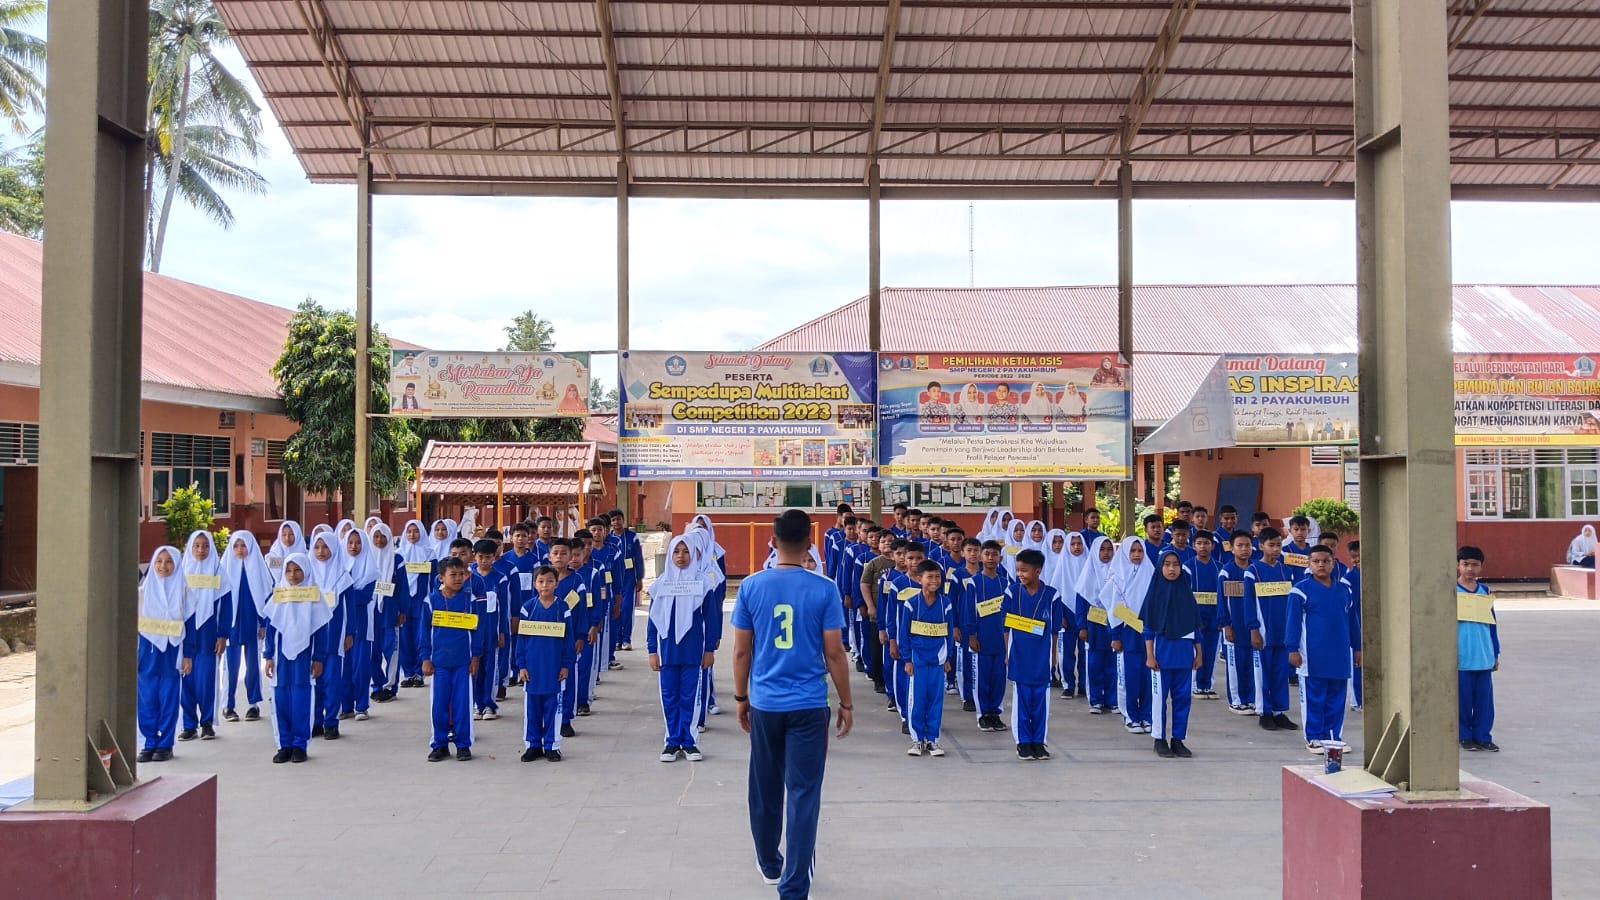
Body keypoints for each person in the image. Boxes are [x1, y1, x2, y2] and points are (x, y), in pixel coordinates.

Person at [733, 510, 853, 899]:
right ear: (809, 543)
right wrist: (846, 702)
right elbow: (834, 653)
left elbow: (740, 652)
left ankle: (770, 862)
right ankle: (795, 885)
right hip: (808, 704)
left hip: (766, 703)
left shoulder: (751, 586)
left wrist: (740, 697)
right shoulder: (824, 589)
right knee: (803, 793)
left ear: (772, 539)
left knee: (765, 786)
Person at [649, 536, 717, 763]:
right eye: (676, 551)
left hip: (692, 651)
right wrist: (652, 650)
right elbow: (652, 620)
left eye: (685, 551)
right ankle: (671, 741)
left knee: (690, 696)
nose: (680, 556)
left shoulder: (702, 583)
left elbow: (712, 618)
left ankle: (689, 741)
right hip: (667, 651)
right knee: (669, 696)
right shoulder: (661, 583)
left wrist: (709, 649)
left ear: (694, 554)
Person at [1287, 545, 1361, 754]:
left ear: (1333, 563)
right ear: (1309, 564)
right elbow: (1292, 623)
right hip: (1312, 656)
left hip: (1339, 655)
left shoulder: (1344, 590)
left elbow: (1353, 621)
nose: (1321, 565)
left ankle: (1333, 737)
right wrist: (1292, 649)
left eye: (1325, 561)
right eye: (1316, 561)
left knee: (1337, 699)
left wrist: (1357, 648)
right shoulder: (1300, 591)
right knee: (1314, 698)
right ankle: (1313, 737)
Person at [261, 553, 333, 764]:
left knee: (301, 701)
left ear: (307, 571)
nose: (293, 575)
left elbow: (321, 630)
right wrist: (268, 656)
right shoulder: (279, 595)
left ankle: (300, 744)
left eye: (298, 570)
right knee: (281, 700)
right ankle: (284, 744)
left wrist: (318, 658)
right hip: (281, 658)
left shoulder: (314, 596)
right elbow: (271, 628)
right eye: (289, 570)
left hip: (305, 658)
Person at [420, 556, 483, 762]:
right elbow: (424, 632)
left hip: (463, 662)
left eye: (461, 574)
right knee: (438, 705)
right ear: (441, 577)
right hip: (439, 663)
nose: (458, 578)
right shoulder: (431, 601)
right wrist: (425, 658)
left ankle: (463, 744)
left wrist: (475, 656)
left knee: (462, 705)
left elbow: (477, 631)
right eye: (452, 575)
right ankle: (439, 744)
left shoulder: (470, 600)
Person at [1142, 550, 1202, 759]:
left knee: (1183, 699)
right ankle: (1159, 739)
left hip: (1185, 657)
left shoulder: (1186, 592)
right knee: (1159, 700)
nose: (1171, 569)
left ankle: (1178, 739)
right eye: (1166, 564)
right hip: (1161, 658)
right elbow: (1148, 628)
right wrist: (1150, 655)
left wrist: (1199, 653)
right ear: (1160, 567)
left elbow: (1196, 626)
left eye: (1175, 564)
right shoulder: (1154, 593)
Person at [136, 547, 193, 763]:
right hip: (147, 653)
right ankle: (149, 742)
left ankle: (166, 743)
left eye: (169, 561)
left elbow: (190, 626)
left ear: (177, 564)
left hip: (172, 651)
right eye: (159, 561)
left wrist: (188, 654)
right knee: (147, 698)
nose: (163, 566)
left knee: (168, 697)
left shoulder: (184, 591)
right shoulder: (142, 592)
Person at [1002, 548, 1058, 760]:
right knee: (1022, 700)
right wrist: (1008, 652)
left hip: (1042, 657)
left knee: (1041, 701)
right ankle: (1023, 742)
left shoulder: (1052, 595)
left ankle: (1038, 741)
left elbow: (1054, 631)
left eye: (1024, 571)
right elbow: (1006, 626)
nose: (1020, 575)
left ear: (1038, 571)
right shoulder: (1012, 592)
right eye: (1017, 570)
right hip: (1020, 655)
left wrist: (1054, 656)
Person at [515, 565, 575, 762]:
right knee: (532, 709)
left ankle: (552, 745)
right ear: (534, 584)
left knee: (553, 707)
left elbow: (568, 639)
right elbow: (521, 640)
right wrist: (521, 665)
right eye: (540, 581)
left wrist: (566, 665)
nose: (545, 585)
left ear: (557, 584)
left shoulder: (563, 608)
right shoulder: (528, 608)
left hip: (554, 668)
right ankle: (533, 744)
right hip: (532, 669)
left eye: (550, 581)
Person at [899, 559, 955, 757]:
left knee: (936, 699)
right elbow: (903, 633)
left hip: (938, 658)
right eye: (929, 577)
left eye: (937, 577)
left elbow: (948, 633)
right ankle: (917, 740)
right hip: (917, 659)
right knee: (917, 699)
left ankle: (933, 739)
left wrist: (948, 657)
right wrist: (907, 659)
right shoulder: (911, 604)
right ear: (918, 579)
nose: (934, 581)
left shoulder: (945, 604)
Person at [1246, 527, 1298, 733]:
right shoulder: (1253, 571)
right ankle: (1264, 712)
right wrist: (1253, 629)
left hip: (1282, 631)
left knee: (1280, 672)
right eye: (1271, 545)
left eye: (1279, 545)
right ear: (1261, 546)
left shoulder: (1286, 570)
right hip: (1264, 632)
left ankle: (1278, 711)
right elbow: (1249, 603)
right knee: (1262, 673)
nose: (1276, 549)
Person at [178, 530, 228, 742]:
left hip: (209, 633)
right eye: (197, 546)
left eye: (205, 546)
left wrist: (223, 634)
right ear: (190, 547)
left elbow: (225, 604)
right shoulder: (181, 573)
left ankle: (207, 723)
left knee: (207, 679)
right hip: (185, 633)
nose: (201, 550)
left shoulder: (218, 571)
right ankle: (189, 725)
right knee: (185, 679)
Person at [1105, 537, 1155, 735]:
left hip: (1149, 635)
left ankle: (1146, 715)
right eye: (1132, 551)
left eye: (1139, 551)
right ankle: (1131, 716)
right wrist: (1115, 635)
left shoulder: (1151, 574)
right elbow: (1112, 608)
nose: (1136, 554)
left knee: (1148, 678)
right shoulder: (1117, 577)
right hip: (1128, 634)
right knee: (1129, 678)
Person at [220, 533, 271, 723]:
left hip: (252, 624)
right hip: (231, 626)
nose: (240, 549)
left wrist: (263, 623)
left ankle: (253, 704)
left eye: (243, 545)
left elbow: (266, 597)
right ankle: (228, 705)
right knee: (230, 667)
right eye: (236, 546)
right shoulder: (224, 569)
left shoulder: (259, 568)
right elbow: (221, 600)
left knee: (252, 666)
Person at [1457, 546, 1501, 752]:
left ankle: (1483, 735)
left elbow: (1492, 624)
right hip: (1462, 656)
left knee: (1484, 701)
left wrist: (1495, 652)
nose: (1470, 569)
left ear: (1481, 567)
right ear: (1458, 565)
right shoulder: (1452, 591)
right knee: (1463, 700)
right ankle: (1464, 735)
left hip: (1483, 655)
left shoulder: (1485, 592)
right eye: (1466, 564)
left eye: (1475, 565)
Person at [1217, 531, 1259, 715]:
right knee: (1235, 665)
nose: (1244, 549)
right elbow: (1221, 601)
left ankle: (1251, 698)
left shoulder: (1256, 570)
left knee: (1251, 664)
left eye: (1247, 545)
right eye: (1240, 545)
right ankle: (1236, 700)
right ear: (1232, 549)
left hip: (1253, 628)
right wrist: (1226, 624)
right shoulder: (1227, 571)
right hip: (1234, 626)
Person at [1074, 536, 1118, 715]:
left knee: (1112, 664)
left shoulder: (1117, 572)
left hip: (1113, 624)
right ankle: (1096, 700)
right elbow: (1081, 602)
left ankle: (1112, 700)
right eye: (1102, 549)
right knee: (1094, 664)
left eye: (1109, 549)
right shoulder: (1088, 573)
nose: (1106, 553)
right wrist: (1082, 626)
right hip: (1094, 626)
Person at [469, 538, 509, 721]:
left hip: (492, 630)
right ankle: (477, 704)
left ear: (495, 557)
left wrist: (502, 632)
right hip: (473, 631)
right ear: (474, 556)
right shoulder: (468, 576)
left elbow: (504, 607)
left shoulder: (500, 578)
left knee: (490, 668)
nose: (484, 561)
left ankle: (490, 704)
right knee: (475, 668)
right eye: (480, 557)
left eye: (488, 557)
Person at [341, 527, 378, 722]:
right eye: (350, 542)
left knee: (361, 666)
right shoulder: (339, 567)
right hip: (342, 623)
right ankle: (346, 706)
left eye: (357, 543)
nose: (353, 546)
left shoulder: (370, 571)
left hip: (362, 623)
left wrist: (345, 595)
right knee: (344, 667)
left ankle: (361, 706)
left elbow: (364, 597)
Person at [395, 519, 434, 689]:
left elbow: (433, 580)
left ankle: (419, 672)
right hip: (405, 601)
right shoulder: (399, 554)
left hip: (421, 600)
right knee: (404, 638)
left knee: (420, 636)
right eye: (409, 531)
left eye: (416, 531)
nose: (412, 535)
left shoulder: (430, 554)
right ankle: (408, 672)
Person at [1186, 531, 1225, 699]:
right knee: (1197, 651)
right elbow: (1185, 595)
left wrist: (1221, 617)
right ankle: (1196, 685)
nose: (1203, 546)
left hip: (1214, 617)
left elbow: (1223, 595)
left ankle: (1207, 685)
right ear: (1193, 546)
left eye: (1206, 543)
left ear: (1212, 546)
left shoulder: (1220, 567)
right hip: (1196, 618)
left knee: (1212, 652)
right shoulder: (1187, 567)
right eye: (1199, 543)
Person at [1344, 540, 1364, 711]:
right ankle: (1357, 700)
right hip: (1357, 625)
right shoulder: (1348, 579)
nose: (1357, 559)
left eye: (1360, 555)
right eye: (1353, 557)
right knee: (1358, 662)